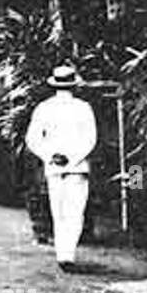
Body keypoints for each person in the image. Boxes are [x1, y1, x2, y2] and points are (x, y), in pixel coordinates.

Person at [25, 65, 97, 272]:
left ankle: (62, 254)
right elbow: (90, 138)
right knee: (75, 211)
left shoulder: (44, 108)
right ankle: (68, 255)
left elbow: (33, 139)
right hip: (78, 167)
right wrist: (72, 158)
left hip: (54, 167)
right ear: (74, 85)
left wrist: (51, 156)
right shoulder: (84, 107)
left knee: (59, 211)